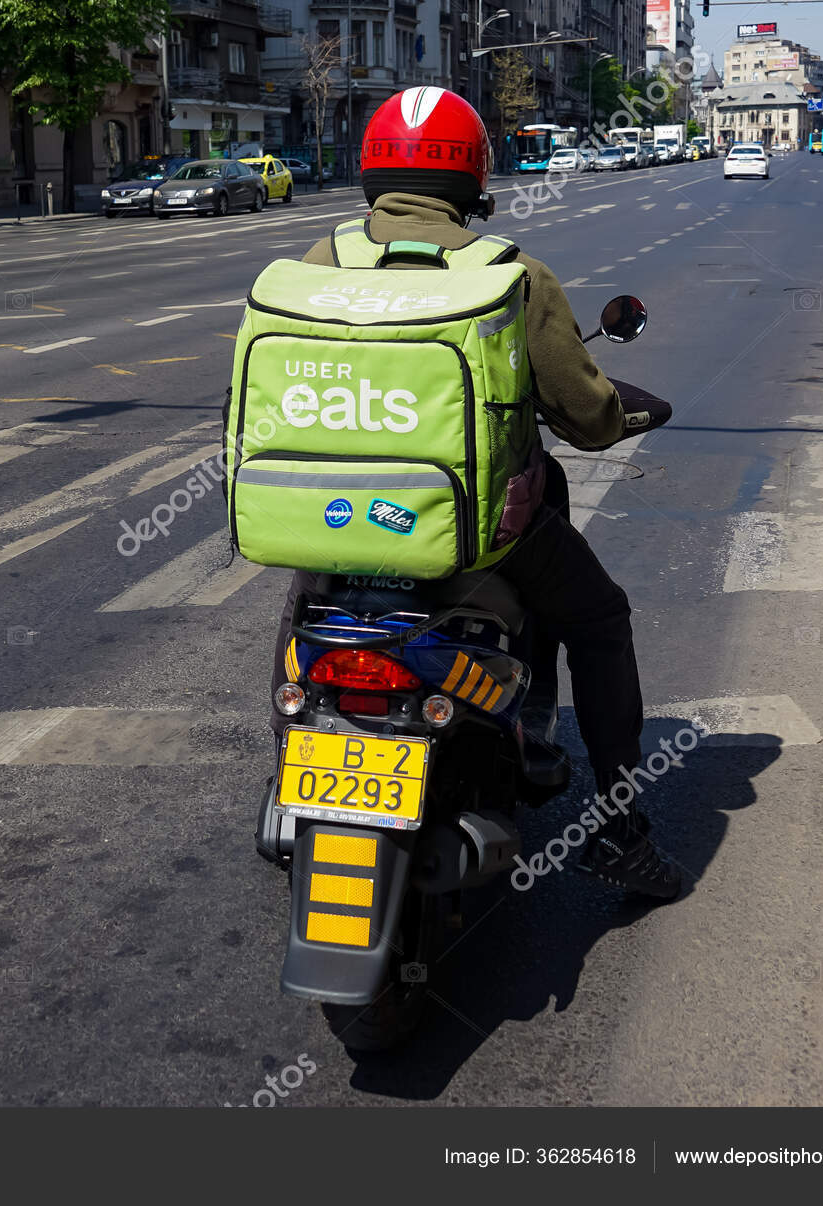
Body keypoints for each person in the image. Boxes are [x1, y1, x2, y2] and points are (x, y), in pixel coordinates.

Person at [270, 86, 680, 899]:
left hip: (329, 520)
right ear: (474, 181)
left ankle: (290, 760)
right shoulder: (509, 276)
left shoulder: (314, 266)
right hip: (479, 533)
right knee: (600, 619)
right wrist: (621, 410)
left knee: (305, 615)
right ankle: (621, 829)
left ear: (370, 174)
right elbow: (587, 415)